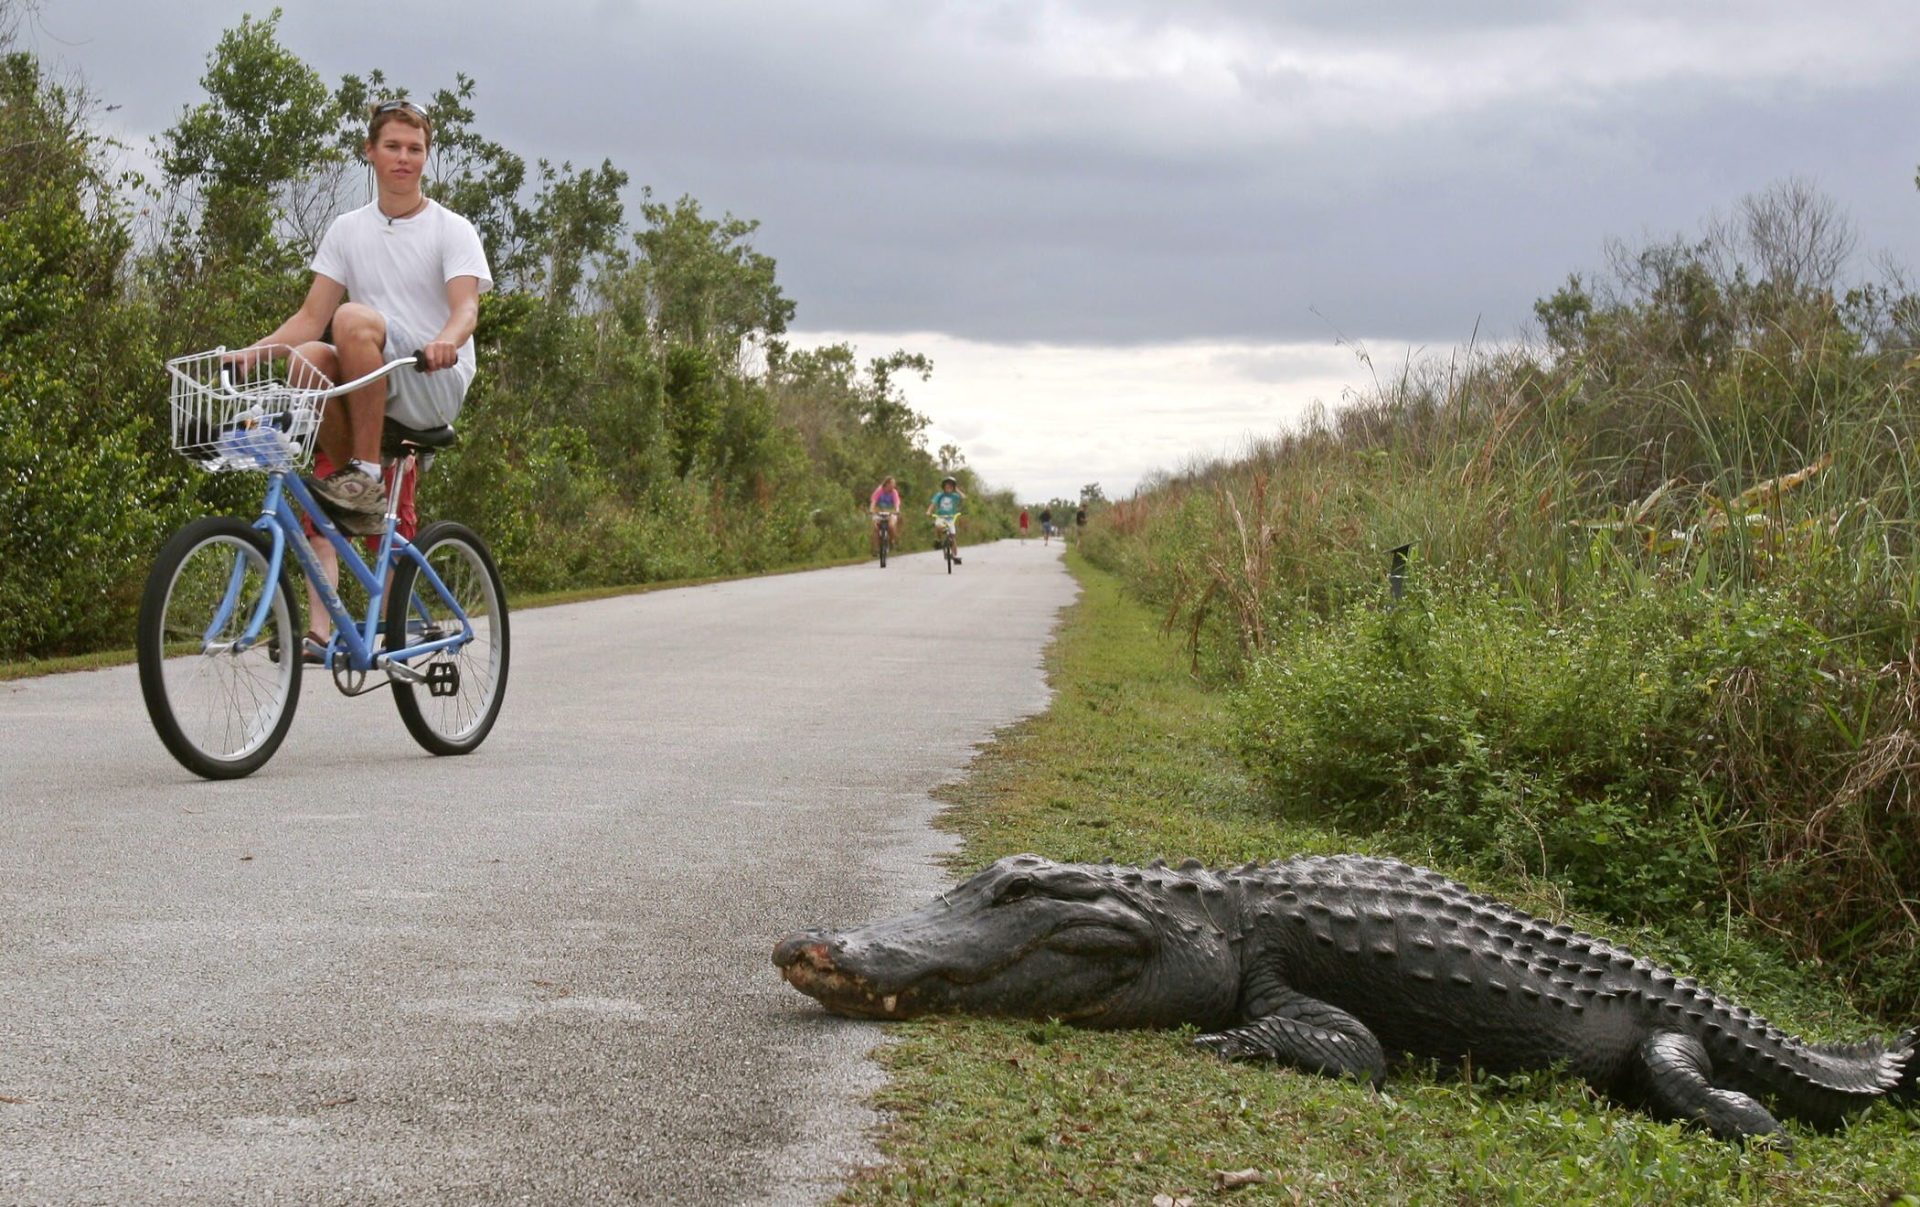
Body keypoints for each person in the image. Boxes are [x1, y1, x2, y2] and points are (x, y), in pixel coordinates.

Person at [234, 99, 492, 658]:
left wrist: (448, 337)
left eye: (415, 149)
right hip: (366, 373)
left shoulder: (452, 229)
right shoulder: (348, 230)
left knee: (349, 318)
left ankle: (366, 472)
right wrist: (253, 355)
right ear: (370, 153)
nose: (404, 158)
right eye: (393, 146)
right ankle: (323, 623)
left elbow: (467, 307)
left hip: (429, 375)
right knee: (307, 354)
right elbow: (308, 316)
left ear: (427, 156)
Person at [927, 475, 965, 564]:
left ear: (953, 487)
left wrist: (957, 490)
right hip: (941, 516)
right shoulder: (939, 495)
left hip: (950, 518)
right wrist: (929, 511)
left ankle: (955, 555)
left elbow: (963, 497)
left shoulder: (955, 496)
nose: (949, 488)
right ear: (943, 487)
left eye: (951, 486)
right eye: (947, 486)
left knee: (953, 536)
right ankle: (939, 540)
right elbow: (933, 503)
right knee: (938, 526)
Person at [869, 475, 902, 556]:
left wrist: (897, 510)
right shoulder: (879, 490)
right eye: (892, 483)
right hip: (879, 512)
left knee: (891, 526)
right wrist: (871, 510)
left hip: (891, 512)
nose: (894, 485)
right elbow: (873, 501)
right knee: (875, 528)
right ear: (887, 484)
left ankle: (892, 541)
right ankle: (876, 549)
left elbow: (897, 503)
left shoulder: (894, 492)